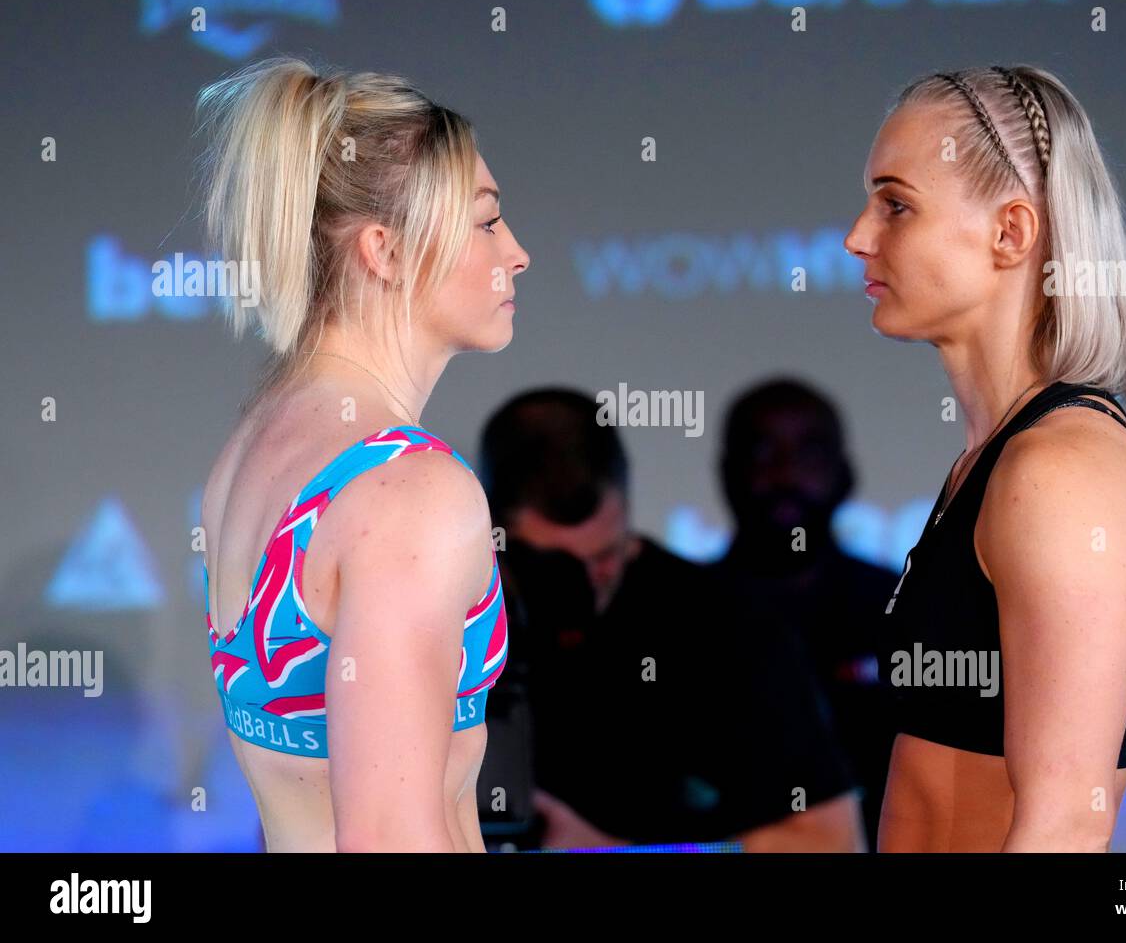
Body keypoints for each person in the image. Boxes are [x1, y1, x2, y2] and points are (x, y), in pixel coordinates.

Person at [195, 56, 529, 851]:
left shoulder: (256, 443)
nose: (516, 253)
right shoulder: (410, 492)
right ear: (384, 250)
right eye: (486, 221)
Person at [843, 65, 1126, 851]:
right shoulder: (998, 460)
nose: (858, 236)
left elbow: (1066, 824)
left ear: (1011, 233)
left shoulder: (1060, 475)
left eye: (896, 204)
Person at [479, 389, 864, 851]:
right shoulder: (444, 627)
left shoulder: (724, 625)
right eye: (553, 568)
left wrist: (612, 852)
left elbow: (829, 840)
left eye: (605, 556)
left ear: (626, 507)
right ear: (493, 531)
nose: (584, 585)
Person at [710, 377, 899, 850]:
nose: (784, 473)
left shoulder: (907, 608)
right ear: (727, 473)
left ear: (845, 473)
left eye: (809, 453)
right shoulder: (674, 614)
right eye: (761, 452)